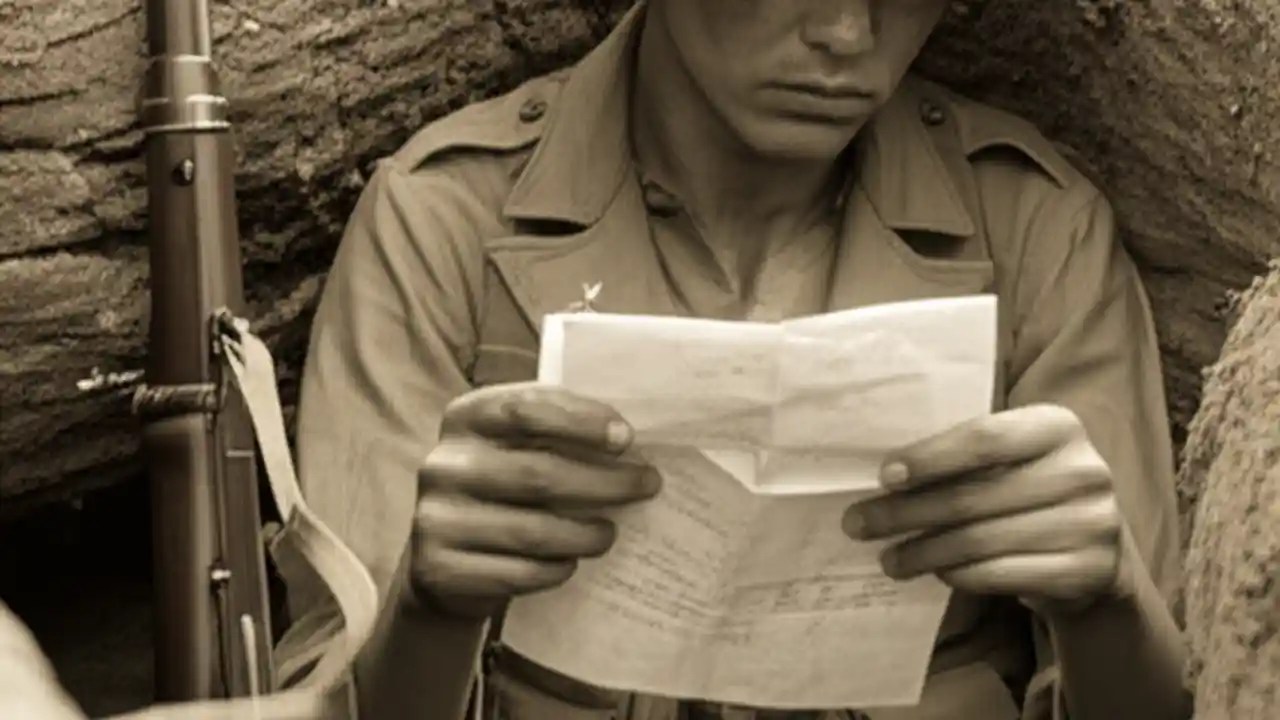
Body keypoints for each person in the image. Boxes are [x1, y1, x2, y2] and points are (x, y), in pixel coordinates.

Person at [276, 2, 1191, 719]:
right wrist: (429, 610)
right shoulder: (441, 222)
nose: (847, 34)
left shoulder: (1036, 231)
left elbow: (1178, 699)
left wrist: (1105, 600)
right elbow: (332, 694)